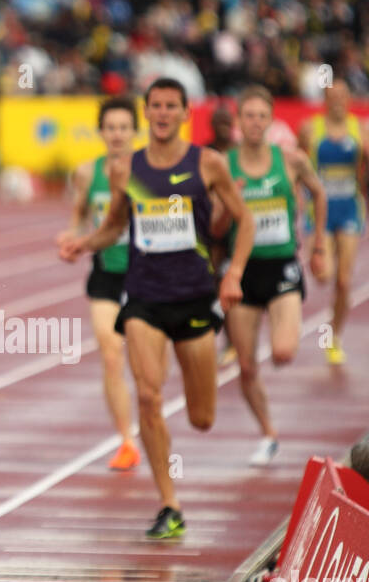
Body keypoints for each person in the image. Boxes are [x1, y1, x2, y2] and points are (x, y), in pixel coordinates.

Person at [60, 77, 255, 540]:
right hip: (144, 296)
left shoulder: (207, 163)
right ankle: (170, 503)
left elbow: (244, 220)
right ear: (146, 114)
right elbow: (113, 227)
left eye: (172, 106)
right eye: (156, 106)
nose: (163, 113)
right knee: (148, 396)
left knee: (201, 417)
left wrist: (233, 274)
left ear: (187, 113)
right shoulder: (125, 170)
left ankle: (179, 463)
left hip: (193, 299)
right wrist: (83, 242)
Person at [217, 86, 328, 466]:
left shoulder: (291, 160)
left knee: (282, 352)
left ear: (271, 120)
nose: (254, 123)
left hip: (282, 266)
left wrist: (318, 245)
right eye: (248, 115)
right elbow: (215, 227)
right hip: (241, 271)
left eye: (261, 116)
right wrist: (228, 198)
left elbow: (319, 192)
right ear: (238, 121)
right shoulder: (223, 165)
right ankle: (268, 432)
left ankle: (269, 425)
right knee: (246, 367)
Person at [55, 96, 140, 471]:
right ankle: (126, 440)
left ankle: (145, 420)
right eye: (111, 128)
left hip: (148, 276)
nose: (118, 134)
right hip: (106, 273)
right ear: (101, 132)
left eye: (124, 127)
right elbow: (79, 218)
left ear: (134, 132)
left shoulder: (149, 170)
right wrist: (72, 239)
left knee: (147, 365)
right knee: (110, 352)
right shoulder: (88, 174)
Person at [299, 80, 369, 365]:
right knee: (323, 275)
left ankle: (334, 337)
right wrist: (299, 195)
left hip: (348, 208)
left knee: (344, 282)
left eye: (342, 97)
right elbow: (299, 164)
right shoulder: (310, 129)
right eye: (331, 97)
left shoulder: (361, 129)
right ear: (324, 98)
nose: (337, 102)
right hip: (319, 211)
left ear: (348, 100)